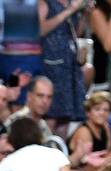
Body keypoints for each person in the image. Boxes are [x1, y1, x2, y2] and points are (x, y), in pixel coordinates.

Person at [39, 0, 86, 128]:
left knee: (65, 115)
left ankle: (61, 147)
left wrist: (86, 13)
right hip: (52, 62)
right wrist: (69, 11)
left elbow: (76, 32)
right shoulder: (45, 3)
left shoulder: (72, 4)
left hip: (69, 62)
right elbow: (40, 29)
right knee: (52, 112)